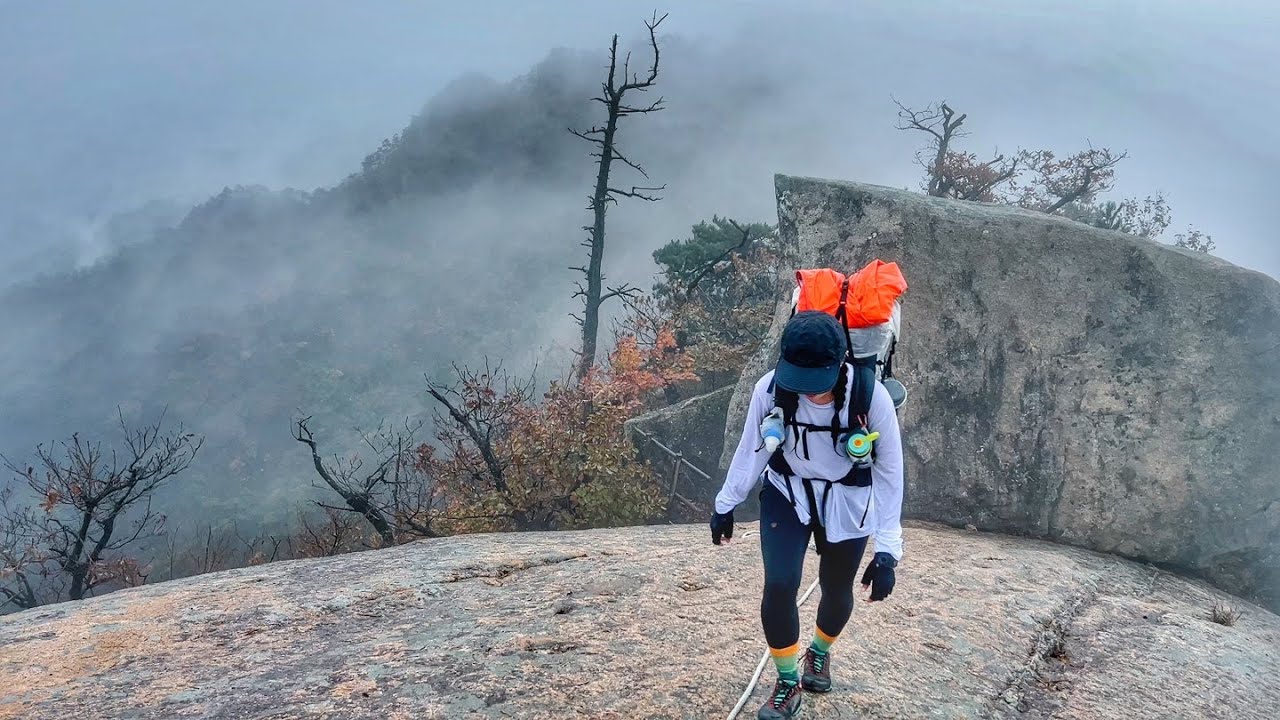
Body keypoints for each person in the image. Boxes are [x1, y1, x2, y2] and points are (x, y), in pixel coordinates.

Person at [710, 310, 904, 720]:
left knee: (836, 589)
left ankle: (819, 653)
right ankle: (786, 683)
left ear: (840, 365)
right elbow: (752, 450)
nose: (807, 393)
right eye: (798, 381)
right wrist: (725, 505)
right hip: (788, 491)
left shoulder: (871, 399)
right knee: (780, 584)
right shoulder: (771, 389)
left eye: (817, 384)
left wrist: (888, 551)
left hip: (848, 498)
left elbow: (889, 474)